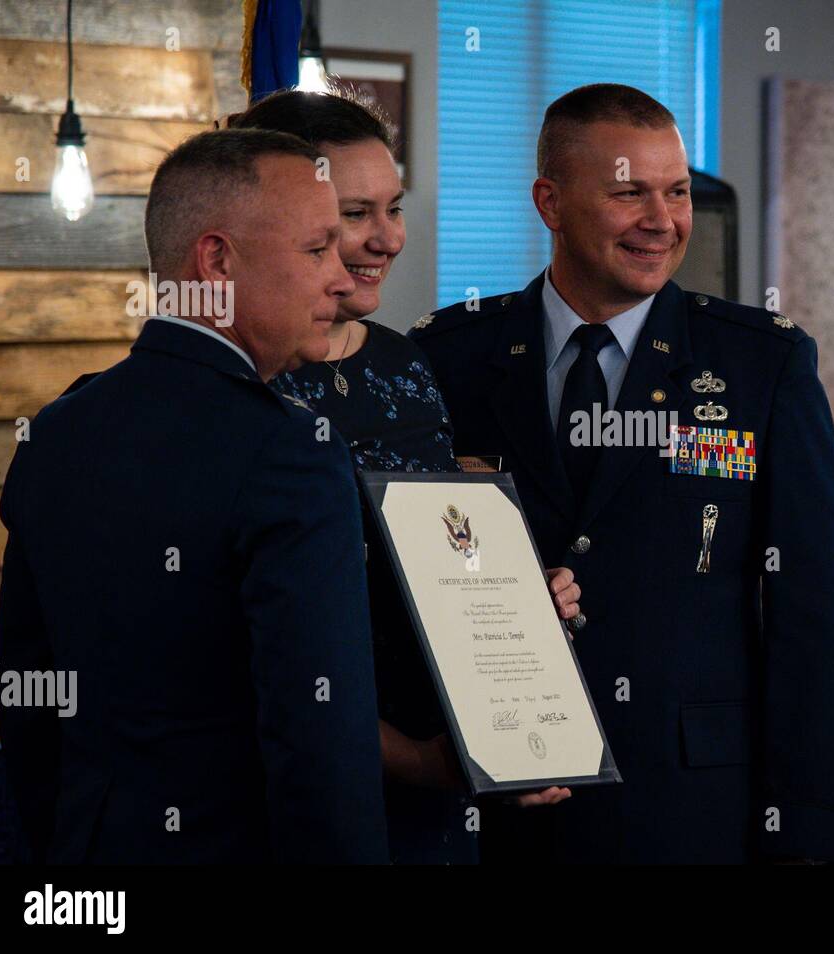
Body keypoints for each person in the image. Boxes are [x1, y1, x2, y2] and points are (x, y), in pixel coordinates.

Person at [413, 84, 834, 863]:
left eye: (678, 192)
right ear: (550, 203)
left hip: (691, 808)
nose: (663, 221)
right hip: (498, 813)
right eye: (630, 193)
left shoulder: (763, 366)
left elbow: (816, 631)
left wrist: (808, 841)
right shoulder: (449, 358)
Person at [0, 128, 389, 863]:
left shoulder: (55, 429)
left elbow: (30, 697)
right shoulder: (288, 454)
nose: (341, 278)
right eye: (316, 249)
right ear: (216, 260)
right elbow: (320, 746)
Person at [231, 89, 579, 864]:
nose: (389, 238)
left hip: (443, 806)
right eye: (356, 215)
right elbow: (243, 652)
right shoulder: (242, 386)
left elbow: (436, 562)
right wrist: (415, 760)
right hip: (299, 803)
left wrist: (516, 590)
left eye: (394, 207)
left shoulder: (409, 363)